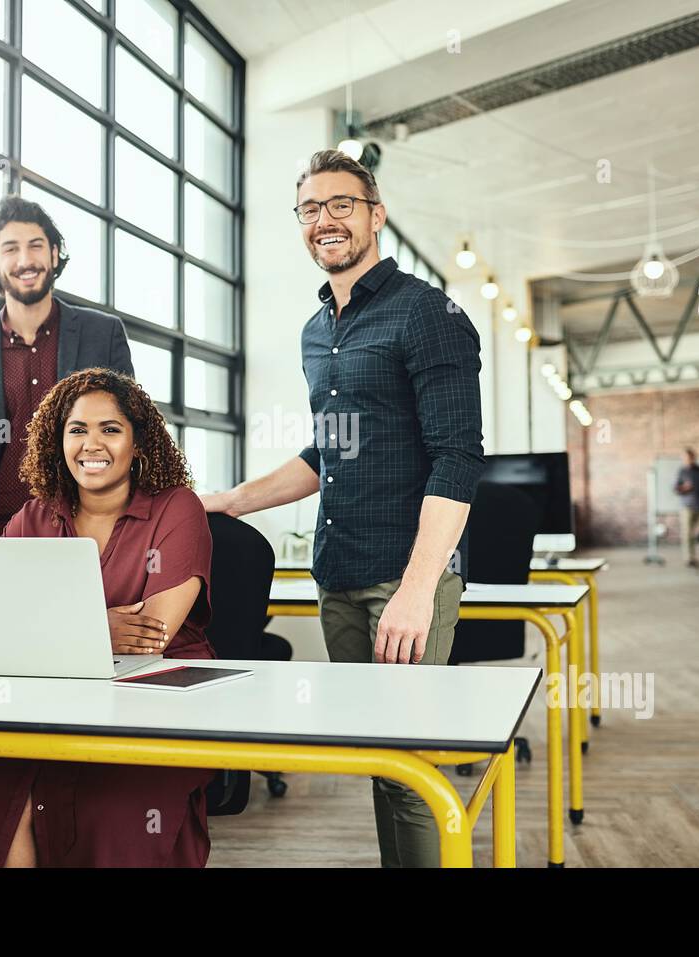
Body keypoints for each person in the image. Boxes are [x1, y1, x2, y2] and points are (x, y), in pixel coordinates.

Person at [202, 149, 485, 867]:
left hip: (404, 579)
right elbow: (323, 455)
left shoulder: (428, 314)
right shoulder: (316, 330)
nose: (324, 220)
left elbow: (458, 457)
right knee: (382, 763)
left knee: (412, 773)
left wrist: (419, 590)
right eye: (310, 209)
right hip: (339, 574)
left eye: (341, 205)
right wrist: (231, 500)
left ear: (375, 215)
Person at [0, 368, 215, 867]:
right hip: (48, 704)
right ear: (57, 441)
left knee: (111, 807)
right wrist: (99, 626)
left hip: (155, 709)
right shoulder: (33, 518)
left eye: (110, 429)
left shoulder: (178, 509)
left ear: (138, 443)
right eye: (77, 429)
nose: (92, 443)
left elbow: (152, 635)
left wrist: (50, 628)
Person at [0, 195, 134, 538]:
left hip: (82, 533)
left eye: (36, 246)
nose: (25, 260)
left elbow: (131, 434)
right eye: (10, 249)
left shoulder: (103, 334)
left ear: (53, 254)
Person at [673, 448, 699, 567]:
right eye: (686, 458)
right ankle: (690, 558)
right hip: (687, 506)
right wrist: (684, 488)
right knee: (687, 534)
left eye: (690, 457)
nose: (688, 460)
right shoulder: (681, 472)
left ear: (694, 457)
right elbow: (676, 489)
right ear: (683, 459)